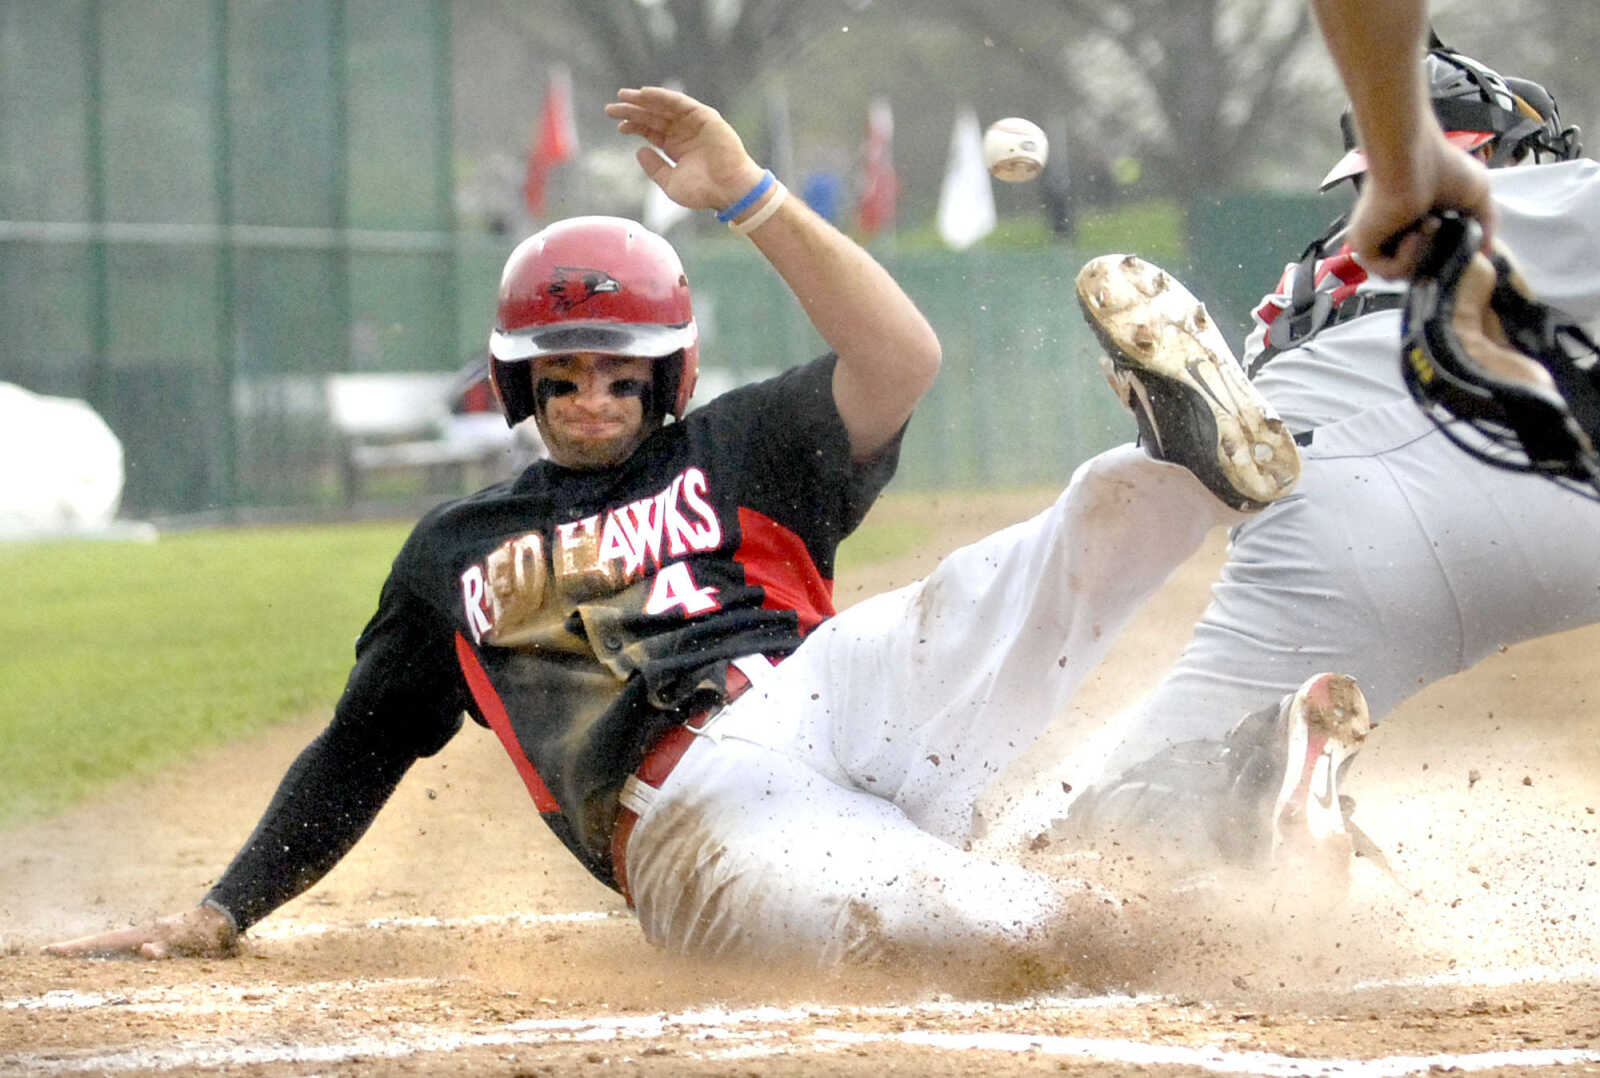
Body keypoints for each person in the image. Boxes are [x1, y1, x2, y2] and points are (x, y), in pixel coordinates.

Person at [42, 86, 1356, 978]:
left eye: (623, 369)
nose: (596, 393)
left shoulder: (739, 445)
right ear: (522, 384)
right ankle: (1219, 832)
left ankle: (1181, 461)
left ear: (667, 372)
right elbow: (355, 751)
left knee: (990, 594)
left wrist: (749, 195)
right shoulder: (453, 554)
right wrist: (222, 909)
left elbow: (899, 353)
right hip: (692, 815)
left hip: (823, 697)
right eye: (564, 374)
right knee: (978, 922)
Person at [1053, 44, 1600, 864]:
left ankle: (1251, 791)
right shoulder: (1546, 194)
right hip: (1553, 494)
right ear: (1499, 151)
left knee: (1117, 824)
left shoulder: (1298, 291)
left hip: (1326, 536)